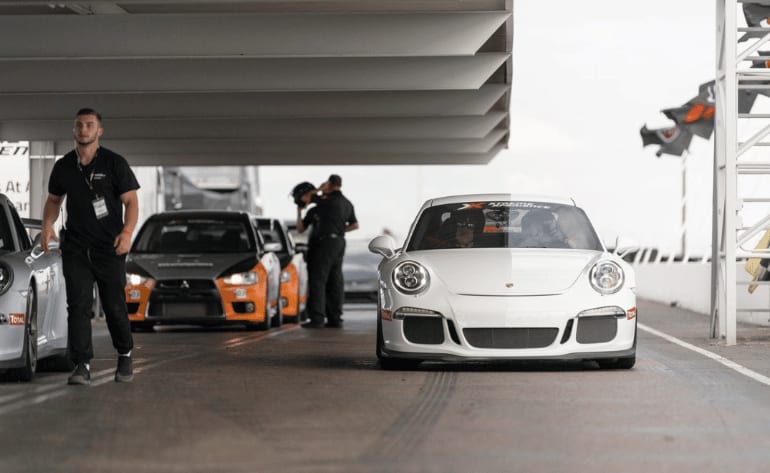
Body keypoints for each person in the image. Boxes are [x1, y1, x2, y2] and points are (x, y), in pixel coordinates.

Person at [41, 108, 140, 385]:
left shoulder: (114, 164)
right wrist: (48, 225)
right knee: (78, 307)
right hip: (76, 248)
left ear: (99, 131)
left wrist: (127, 232)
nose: (84, 129)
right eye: (79, 125)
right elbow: (53, 200)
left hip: (109, 248)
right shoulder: (64, 166)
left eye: (89, 125)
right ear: (74, 130)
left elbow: (130, 202)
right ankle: (82, 364)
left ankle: (125, 353)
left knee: (114, 307)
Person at [296, 174, 358, 328]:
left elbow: (305, 198)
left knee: (318, 279)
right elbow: (355, 225)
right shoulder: (346, 203)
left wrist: (317, 189)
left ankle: (317, 318)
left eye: (325, 184)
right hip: (339, 242)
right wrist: (338, 229)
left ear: (330, 184)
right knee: (335, 280)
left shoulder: (326, 201)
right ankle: (334, 318)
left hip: (324, 244)